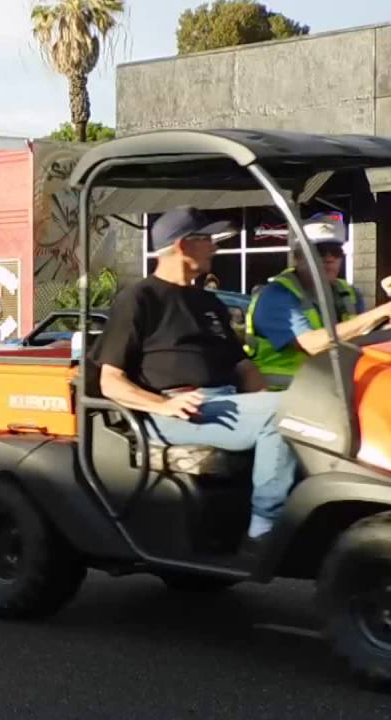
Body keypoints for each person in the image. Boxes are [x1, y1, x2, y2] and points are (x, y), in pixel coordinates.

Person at [94, 206, 290, 546]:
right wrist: (163, 405)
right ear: (183, 246)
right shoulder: (140, 298)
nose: (214, 247)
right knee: (281, 413)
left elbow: (242, 366)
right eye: (207, 240)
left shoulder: (209, 303)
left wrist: (263, 396)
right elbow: (110, 380)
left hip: (226, 404)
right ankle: (265, 531)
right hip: (177, 411)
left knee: (307, 407)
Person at [244, 215, 391, 389]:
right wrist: (381, 311)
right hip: (282, 396)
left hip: (333, 389)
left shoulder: (348, 293)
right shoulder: (277, 294)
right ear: (298, 257)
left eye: (335, 251)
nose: (329, 258)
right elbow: (312, 345)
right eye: (320, 251)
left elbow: (363, 337)